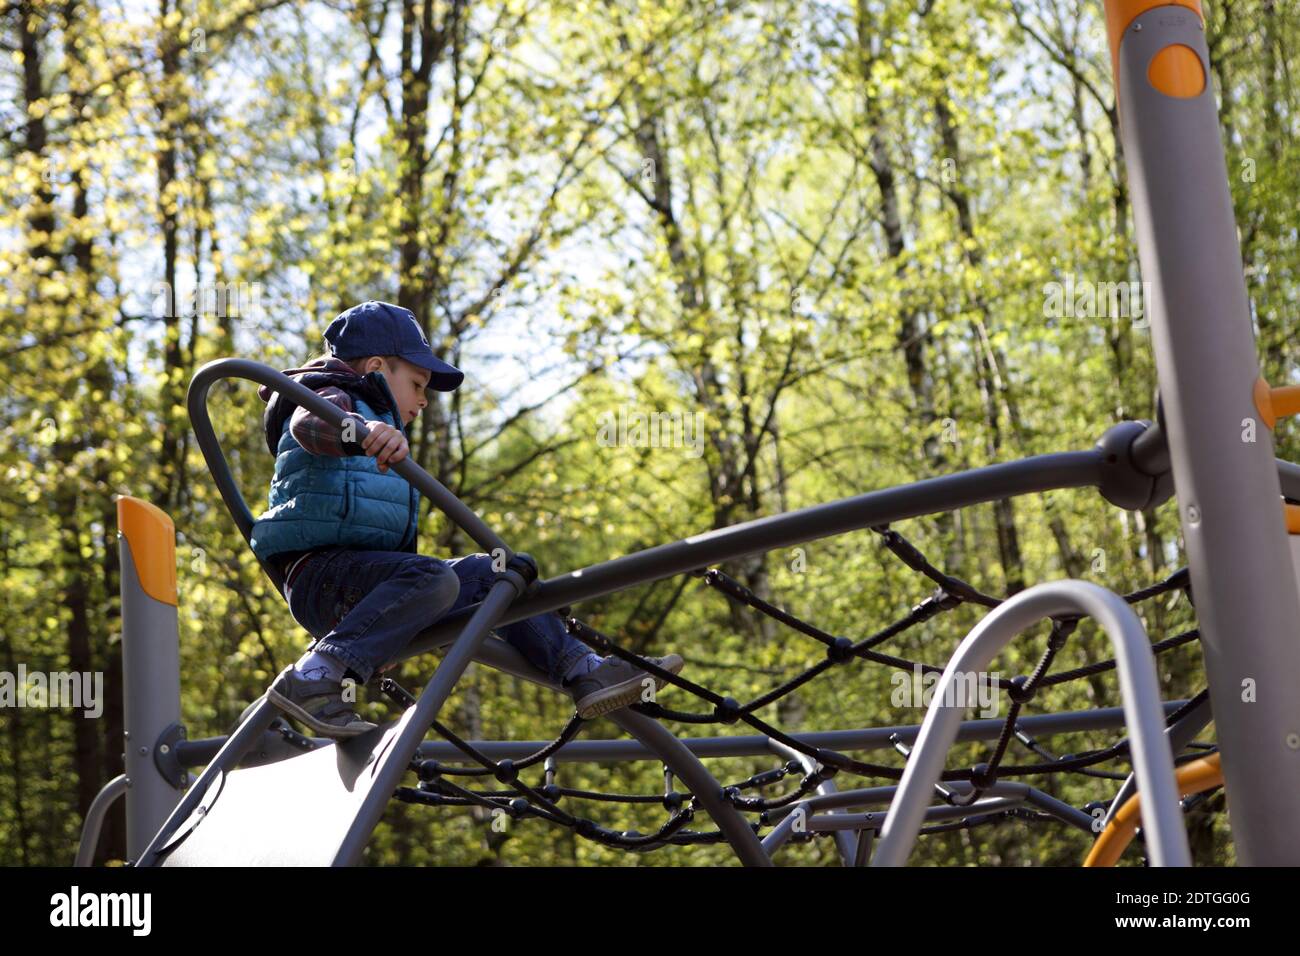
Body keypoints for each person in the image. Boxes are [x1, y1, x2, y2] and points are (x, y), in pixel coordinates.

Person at [250, 300, 683, 737]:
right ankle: (314, 676)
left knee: (500, 573)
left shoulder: (382, 427)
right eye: (418, 384)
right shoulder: (331, 394)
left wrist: (391, 618)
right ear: (377, 368)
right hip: (322, 577)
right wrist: (359, 431)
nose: (422, 400)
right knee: (433, 578)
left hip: (367, 582)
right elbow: (312, 427)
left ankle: (582, 670)